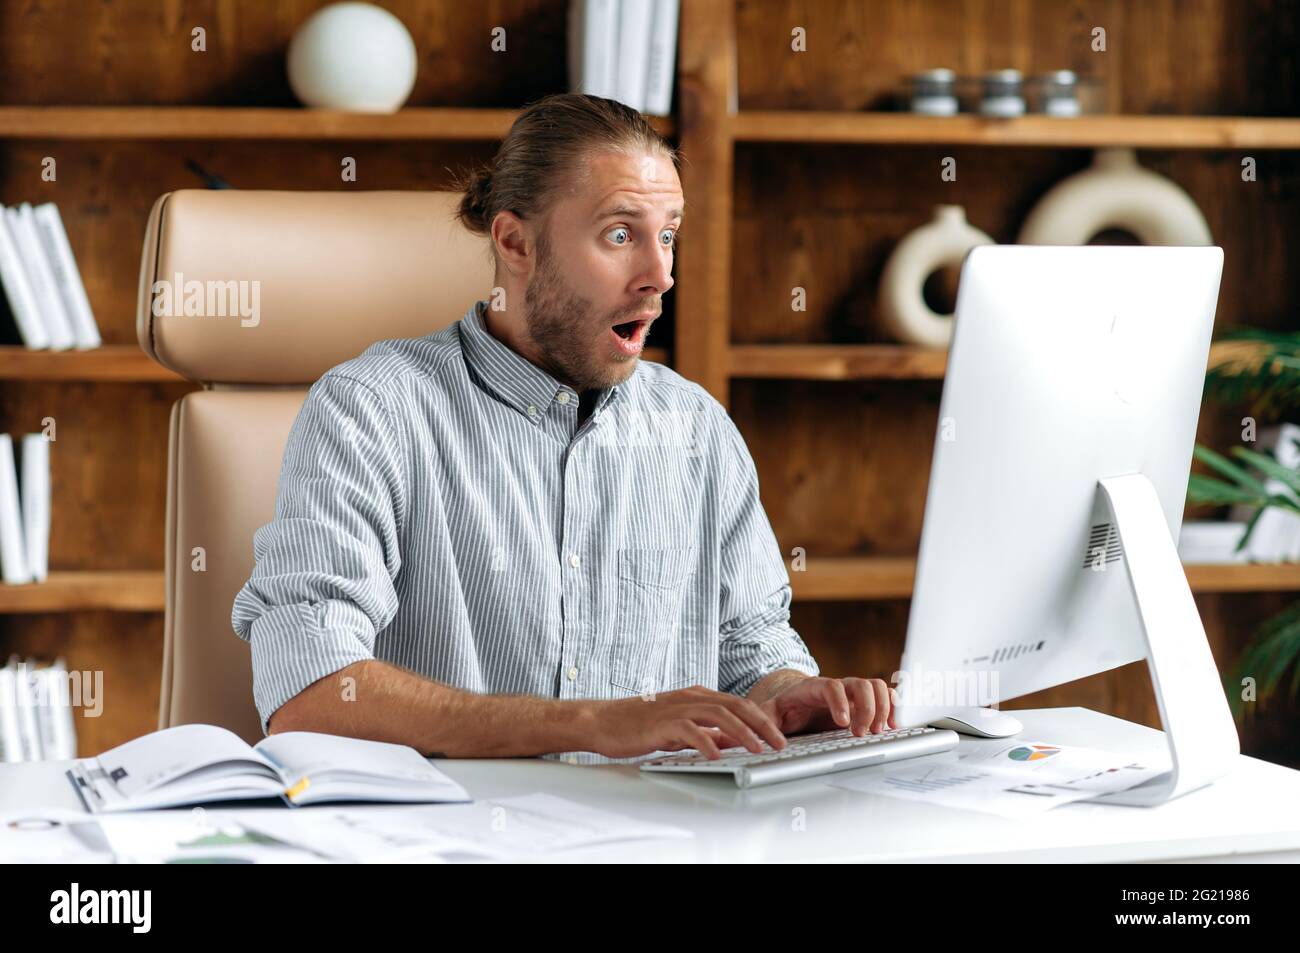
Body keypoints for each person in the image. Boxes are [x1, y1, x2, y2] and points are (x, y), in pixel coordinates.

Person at [231, 92, 897, 762]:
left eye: (668, 234)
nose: (661, 275)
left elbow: (752, 649)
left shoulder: (696, 427)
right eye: (620, 234)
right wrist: (592, 723)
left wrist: (789, 694)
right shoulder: (372, 409)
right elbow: (310, 692)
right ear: (515, 242)